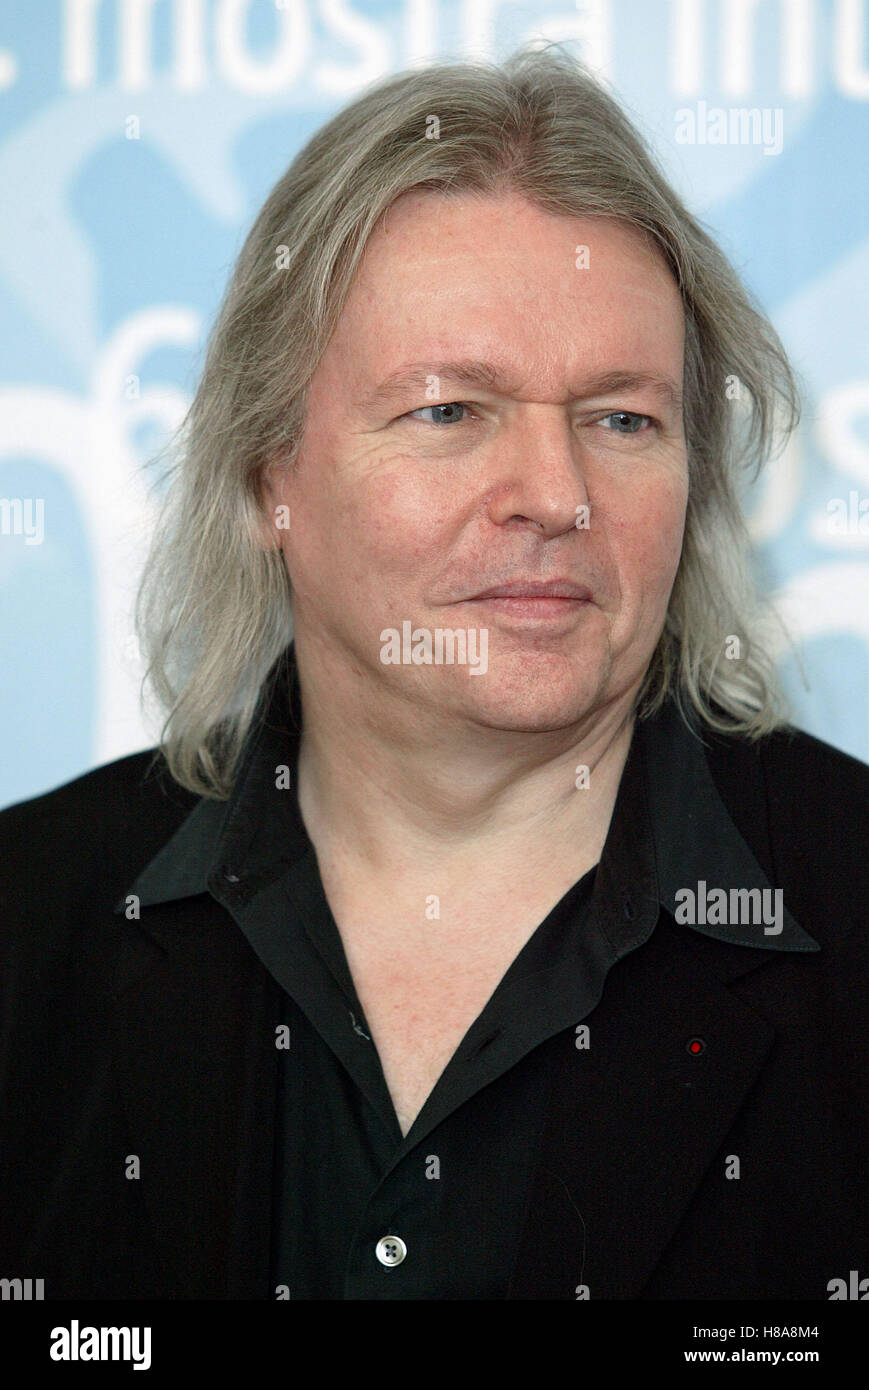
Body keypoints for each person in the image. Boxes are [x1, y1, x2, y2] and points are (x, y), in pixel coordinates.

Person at [1, 44, 866, 1302]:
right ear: (265, 478)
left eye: (622, 418)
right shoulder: (28, 928)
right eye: (449, 410)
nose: (557, 496)